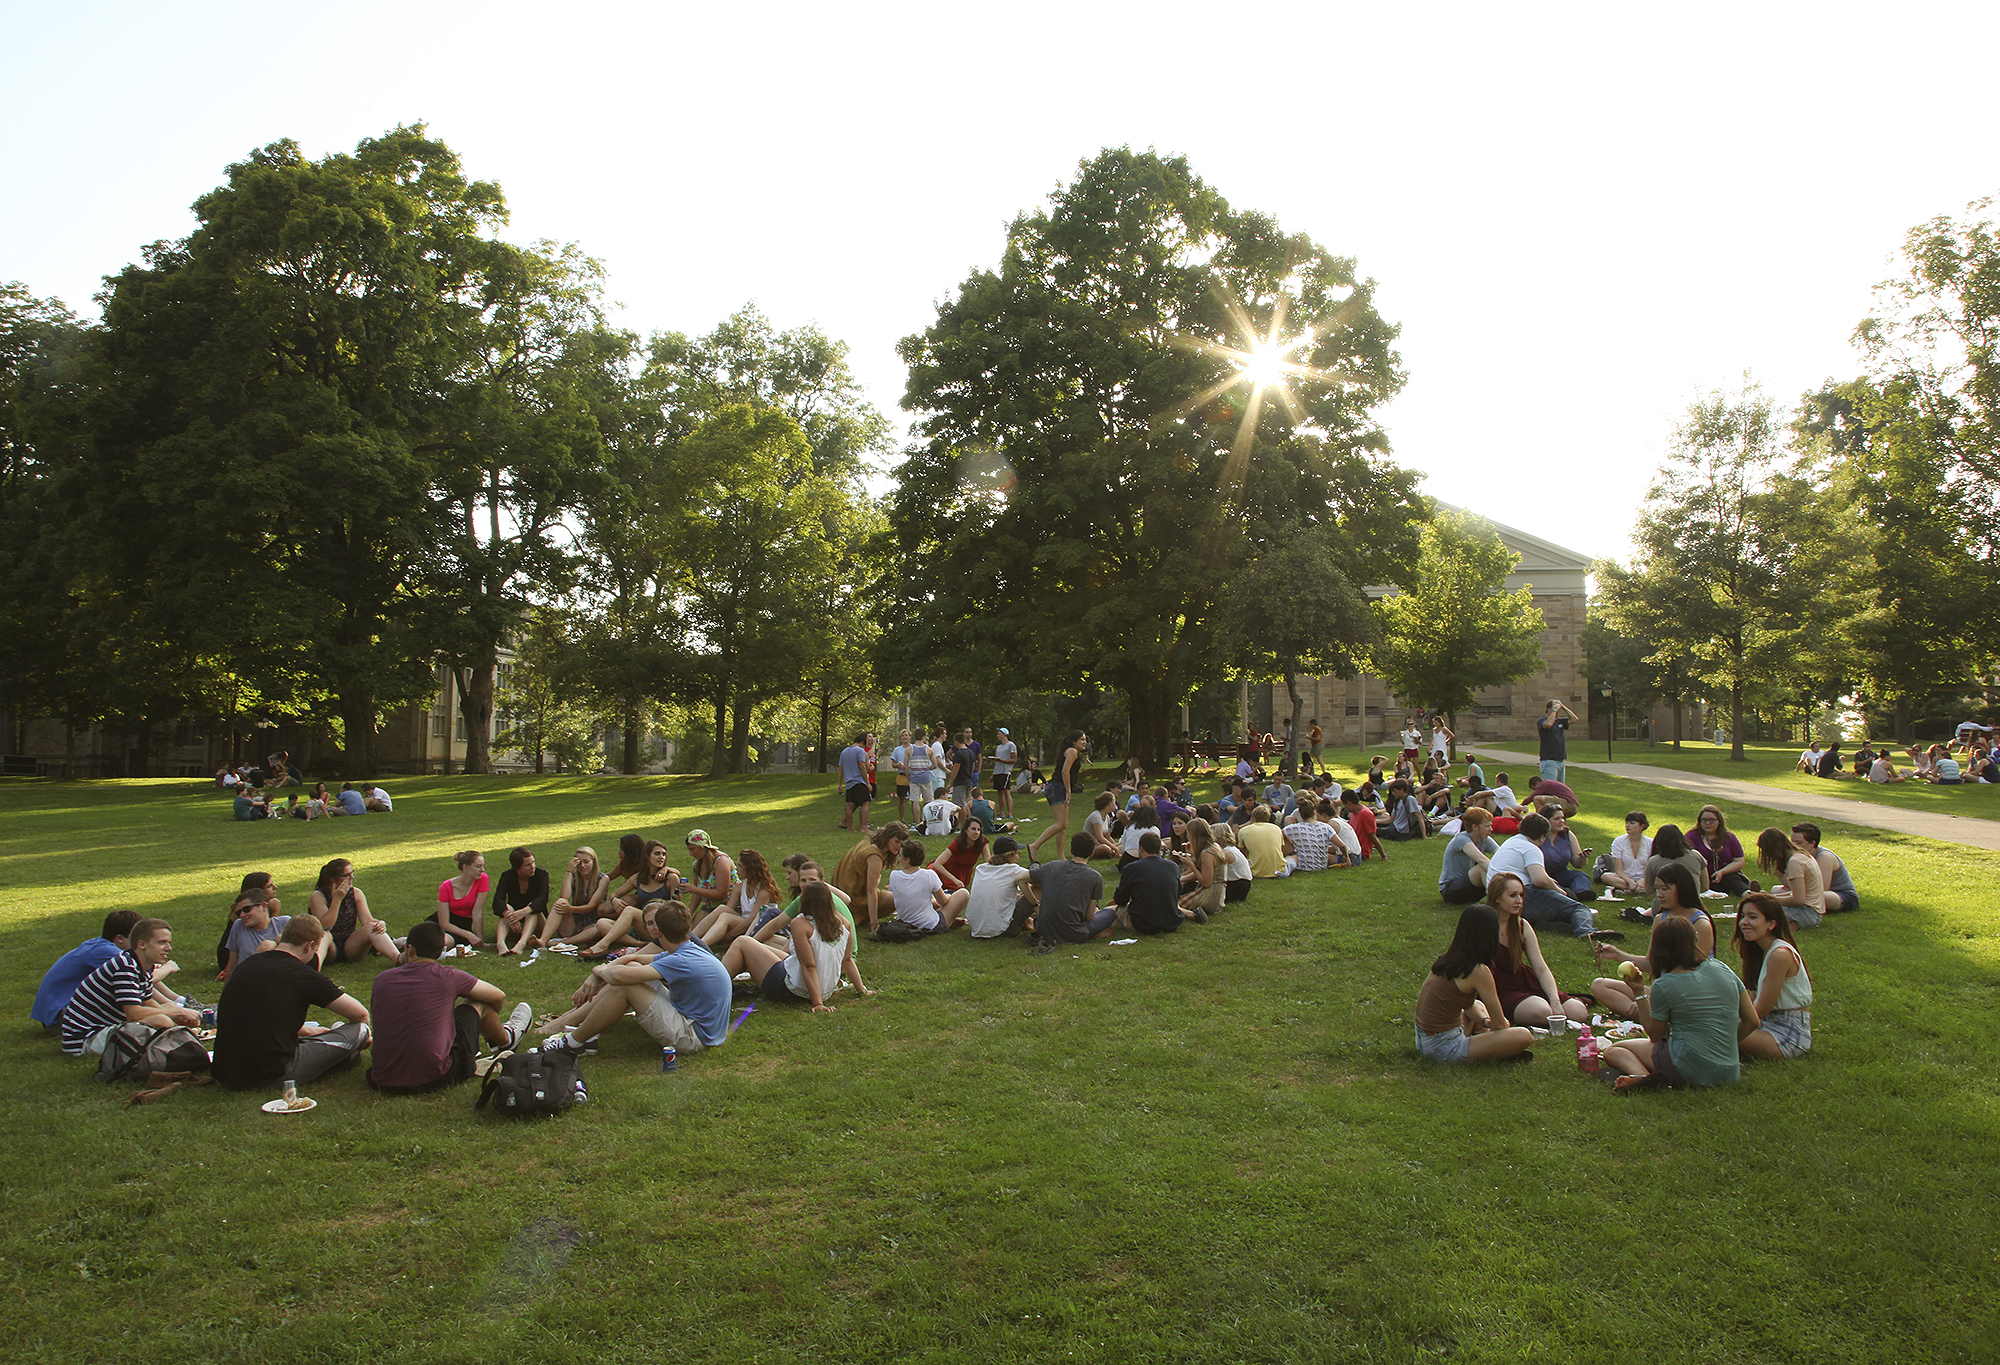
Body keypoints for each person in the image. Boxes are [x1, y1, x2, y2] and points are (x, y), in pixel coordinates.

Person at [538, 902, 731, 1060]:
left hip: (695, 1038)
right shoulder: (687, 950)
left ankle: (573, 1042)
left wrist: (598, 970)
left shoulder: (681, 960)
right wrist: (599, 975)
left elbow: (618, 976)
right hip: (700, 1027)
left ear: (659, 933)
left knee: (625, 986)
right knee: (631, 969)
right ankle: (586, 1034)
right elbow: (633, 959)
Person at [367, 921, 532, 1093]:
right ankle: (506, 1040)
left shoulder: (381, 979)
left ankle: (498, 1038)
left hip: (384, 1078)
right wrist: (485, 1022)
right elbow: (498, 996)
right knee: (478, 1001)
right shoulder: (448, 976)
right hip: (436, 1076)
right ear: (440, 952)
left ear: (410, 950)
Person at [1600, 915, 1760, 1092]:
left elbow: (1655, 1036)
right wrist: (1723, 1046)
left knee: (1615, 1051)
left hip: (1687, 1068)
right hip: (1729, 1071)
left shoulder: (1665, 984)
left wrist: (1638, 992)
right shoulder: (1723, 969)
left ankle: (1642, 1077)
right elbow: (1752, 1021)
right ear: (1695, 940)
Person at [211, 916, 373, 1090]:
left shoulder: (248, 964)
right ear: (309, 946)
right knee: (359, 1030)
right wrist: (362, 1041)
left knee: (328, 1039)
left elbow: (261, 1014)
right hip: (270, 1073)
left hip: (226, 1072)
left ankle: (342, 1055)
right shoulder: (303, 975)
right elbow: (360, 1014)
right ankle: (347, 1055)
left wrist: (309, 1031)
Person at [715, 881, 873, 1012]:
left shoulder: (801, 923)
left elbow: (809, 966)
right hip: (825, 990)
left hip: (793, 990)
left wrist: (818, 1004)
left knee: (742, 942)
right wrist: (862, 990)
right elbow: (847, 961)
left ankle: (713, 985)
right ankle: (723, 981)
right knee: (760, 949)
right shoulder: (844, 923)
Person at [56, 917, 200, 1055]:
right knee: (161, 1020)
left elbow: (146, 1001)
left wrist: (175, 1020)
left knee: (165, 1012)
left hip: (104, 1030)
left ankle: (180, 1037)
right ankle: (180, 1040)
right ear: (141, 944)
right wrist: (175, 1013)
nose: (168, 948)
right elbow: (134, 1014)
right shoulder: (125, 967)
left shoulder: (141, 965)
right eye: (162, 942)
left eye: (168, 942)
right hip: (86, 1040)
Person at [1412, 903, 1534, 1063]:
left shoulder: (1449, 959)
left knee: (1477, 1004)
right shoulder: (1479, 971)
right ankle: (1495, 1050)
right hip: (1444, 1047)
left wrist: (1485, 1021)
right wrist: (1500, 1025)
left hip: (1424, 1041)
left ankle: (1487, 1042)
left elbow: (1469, 1005)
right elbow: (1500, 1025)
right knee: (1523, 1035)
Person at [1590, 864, 1717, 1015]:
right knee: (1599, 985)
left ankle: (1648, 1014)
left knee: (1652, 1004)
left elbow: (1694, 973)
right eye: (1657, 889)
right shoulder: (1660, 919)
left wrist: (1650, 999)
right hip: (1664, 991)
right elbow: (1652, 963)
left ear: (1683, 888)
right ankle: (1646, 1014)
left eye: (1665, 889)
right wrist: (1618, 954)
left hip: (1690, 994)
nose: (1660, 895)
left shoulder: (1700, 923)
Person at [1485, 873, 1590, 1028]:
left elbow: (1541, 968)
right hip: (1499, 988)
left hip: (1524, 980)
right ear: (1497, 898)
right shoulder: (1483, 925)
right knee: (1542, 1012)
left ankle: (1549, 1003)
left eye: (1521, 895)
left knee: (1578, 1012)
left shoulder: (1522, 925)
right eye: (1513, 895)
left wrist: (1555, 1001)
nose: (1519, 901)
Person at [1486, 812, 1599, 939]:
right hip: (1519, 895)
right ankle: (1585, 932)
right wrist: (1561, 892)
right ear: (1542, 837)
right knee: (1579, 909)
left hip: (1496, 898)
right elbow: (1540, 880)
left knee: (1557, 908)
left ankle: (1542, 924)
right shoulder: (1531, 848)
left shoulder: (1511, 842)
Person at [33, 909, 145, 1031]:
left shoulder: (98, 945)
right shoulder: (107, 952)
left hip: (54, 1015)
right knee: (125, 987)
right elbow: (140, 977)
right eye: (136, 938)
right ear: (119, 939)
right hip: (62, 1018)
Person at [1733, 893, 1813, 1061]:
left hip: (1787, 1033)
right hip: (1764, 1024)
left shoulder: (1780, 955)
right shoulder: (1760, 952)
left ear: (1771, 924)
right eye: (1742, 916)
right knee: (1710, 1028)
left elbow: (1761, 1010)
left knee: (1711, 1035)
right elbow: (1752, 1000)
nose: (1744, 922)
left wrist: (1727, 1032)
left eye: (1753, 917)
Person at [308, 858, 401, 965]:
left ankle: (398, 958)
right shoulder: (318, 896)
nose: (352, 877)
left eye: (352, 873)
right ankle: (315, 966)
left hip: (349, 944)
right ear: (333, 879)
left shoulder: (356, 893)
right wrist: (337, 900)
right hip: (328, 945)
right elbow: (326, 926)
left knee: (372, 927)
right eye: (346, 875)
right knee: (325, 934)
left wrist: (380, 923)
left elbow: (367, 920)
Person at [1028, 832, 1112, 944]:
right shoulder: (1095, 877)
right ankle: (1095, 931)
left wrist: (1035, 905)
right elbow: (1089, 916)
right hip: (1073, 934)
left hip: (1043, 929)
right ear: (1092, 853)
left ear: (1071, 851)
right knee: (1111, 913)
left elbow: (1020, 879)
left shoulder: (1052, 866)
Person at [698, 847, 783, 950]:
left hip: (759, 925)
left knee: (725, 917)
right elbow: (728, 909)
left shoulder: (764, 891)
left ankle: (701, 945)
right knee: (722, 909)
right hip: (744, 921)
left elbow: (753, 919)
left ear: (750, 869)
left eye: (740, 866)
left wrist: (730, 935)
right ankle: (691, 937)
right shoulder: (739, 887)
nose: (736, 869)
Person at [1114, 830, 1195, 932]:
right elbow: (1177, 893)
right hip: (1172, 922)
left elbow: (1120, 900)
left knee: (1114, 910)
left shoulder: (1131, 868)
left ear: (1141, 848)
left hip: (1142, 924)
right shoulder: (1173, 867)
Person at [1028, 730, 1089, 861]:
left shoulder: (1071, 751)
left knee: (1063, 825)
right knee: (1061, 824)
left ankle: (1061, 857)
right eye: (1082, 740)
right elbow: (1065, 771)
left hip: (1056, 788)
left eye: (1085, 740)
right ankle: (1034, 846)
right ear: (1074, 741)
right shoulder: (1072, 751)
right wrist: (1068, 791)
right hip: (1058, 788)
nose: (1085, 742)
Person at [833, 824, 905, 931]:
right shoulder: (874, 856)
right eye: (896, 841)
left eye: (901, 843)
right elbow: (871, 891)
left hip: (841, 894)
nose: (898, 846)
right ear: (887, 837)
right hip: (854, 901)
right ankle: (861, 917)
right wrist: (874, 924)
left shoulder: (868, 841)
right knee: (901, 898)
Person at [888, 839, 966, 933]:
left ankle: (948, 918)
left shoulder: (894, 876)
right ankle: (949, 919)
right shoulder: (929, 875)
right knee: (963, 893)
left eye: (900, 856)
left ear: (908, 860)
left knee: (929, 900)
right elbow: (943, 902)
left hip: (904, 924)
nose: (899, 859)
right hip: (929, 925)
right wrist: (949, 896)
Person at [1756, 826, 1828, 929]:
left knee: (1761, 912)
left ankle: (1790, 925)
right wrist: (1768, 897)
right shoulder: (1802, 854)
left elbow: (1798, 900)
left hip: (1807, 913)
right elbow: (1799, 892)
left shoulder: (1795, 862)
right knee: (1762, 907)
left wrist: (1769, 900)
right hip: (1814, 912)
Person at [967, 837, 1035, 938]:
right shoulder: (1013, 870)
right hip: (1003, 930)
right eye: (1016, 854)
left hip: (976, 928)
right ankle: (1046, 920)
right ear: (1009, 855)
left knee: (1015, 897)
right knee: (1037, 891)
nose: (1018, 858)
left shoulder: (981, 868)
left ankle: (1027, 921)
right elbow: (1040, 879)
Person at [543, 847, 611, 948]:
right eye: (579, 863)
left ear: (593, 862)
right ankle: (543, 940)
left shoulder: (603, 879)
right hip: (574, 921)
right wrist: (569, 872)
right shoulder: (574, 877)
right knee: (561, 902)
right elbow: (564, 897)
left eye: (586, 862)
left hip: (593, 922)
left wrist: (570, 909)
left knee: (598, 927)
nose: (582, 866)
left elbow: (591, 906)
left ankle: (565, 942)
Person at [681, 831, 741, 940]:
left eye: (692, 849)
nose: (691, 854)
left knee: (700, 935)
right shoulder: (697, 864)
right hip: (710, 906)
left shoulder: (721, 861)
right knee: (690, 932)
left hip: (729, 906)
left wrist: (694, 889)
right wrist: (689, 913)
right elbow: (697, 894)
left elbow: (721, 893)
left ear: (702, 847)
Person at [1639, 824, 1711, 916]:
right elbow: (1705, 886)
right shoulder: (1696, 856)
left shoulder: (1654, 861)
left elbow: (1649, 891)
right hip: (1693, 905)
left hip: (1664, 907)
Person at [1789, 822, 1859, 915]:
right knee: (1777, 890)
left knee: (1806, 896)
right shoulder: (1800, 856)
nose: (1793, 846)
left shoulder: (1825, 857)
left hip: (1842, 896)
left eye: (1799, 843)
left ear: (1812, 843)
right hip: (1815, 893)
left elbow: (1821, 888)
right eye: (1792, 842)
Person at [1687, 805, 1753, 897]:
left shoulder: (1729, 837)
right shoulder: (1692, 836)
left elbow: (1739, 861)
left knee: (1732, 879)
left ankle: (1749, 894)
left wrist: (1722, 872)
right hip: (1702, 876)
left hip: (1725, 875)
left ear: (1719, 821)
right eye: (1704, 820)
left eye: (1712, 820)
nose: (1708, 823)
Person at [494, 847, 549, 955]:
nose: (532, 867)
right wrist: (508, 914)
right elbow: (497, 900)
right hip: (515, 924)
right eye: (527, 865)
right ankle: (500, 944)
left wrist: (523, 912)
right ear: (517, 867)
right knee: (506, 908)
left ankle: (522, 943)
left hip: (537, 923)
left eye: (533, 862)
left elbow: (542, 899)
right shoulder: (507, 876)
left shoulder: (541, 875)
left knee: (533, 909)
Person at [1438, 806, 1498, 904]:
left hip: (1469, 887)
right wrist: (1501, 876)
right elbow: (1481, 860)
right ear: (1475, 827)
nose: (1491, 829)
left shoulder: (1485, 839)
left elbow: (1501, 855)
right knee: (1481, 868)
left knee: (1488, 867)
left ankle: (1499, 900)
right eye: (1487, 826)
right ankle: (1496, 903)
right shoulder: (1461, 839)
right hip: (1450, 890)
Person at [436, 849, 492, 949]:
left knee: (445, 943)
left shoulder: (482, 879)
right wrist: (469, 935)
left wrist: (480, 940)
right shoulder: (446, 887)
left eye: (482, 866)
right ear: (465, 867)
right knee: (431, 939)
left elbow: (477, 912)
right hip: (446, 923)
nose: (482, 870)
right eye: (478, 866)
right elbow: (444, 924)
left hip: (463, 925)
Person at [1538, 808, 1594, 900]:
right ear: (1546, 821)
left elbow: (1577, 864)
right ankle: (1566, 894)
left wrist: (1583, 857)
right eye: (1557, 819)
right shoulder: (1537, 837)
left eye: (1563, 818)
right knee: (1550, 886)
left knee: (1581, 876)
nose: (1562, 821)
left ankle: (1580, 894)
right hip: (1543, 875)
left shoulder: (1568, 835)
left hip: (1561, 873)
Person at [1175, 817, 1224, 921]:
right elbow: (1202, 871)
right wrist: (1192, 855)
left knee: (1171, 905)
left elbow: (1207, 882)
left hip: (1210, 894)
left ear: (1193, 835)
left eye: (1188, 833)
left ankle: (1195, 915)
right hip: (1216, 893)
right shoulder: (1213, 846)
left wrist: (1191, 864)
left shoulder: (1207, 853)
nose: (1187, 836)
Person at [1594, 812, 1653, 895]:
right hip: (1624, 878)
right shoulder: (1619, 841)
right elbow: (1618, 870)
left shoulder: (1650, 843)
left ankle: (1630, 890)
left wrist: (1642, 881)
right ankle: (1635, 889)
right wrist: (1630, 881)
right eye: (1626, 823)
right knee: (1606, 877)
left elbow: (1649, 870)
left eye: (1632, 823)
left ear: (1642, 826)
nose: (1627, 826)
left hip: (1644, 879)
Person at [932, 821, 989, 896]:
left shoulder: (982, 842)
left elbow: (988, 862)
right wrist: (955, 880)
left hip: (963, 876)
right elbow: (937, 864)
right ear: (965, 830)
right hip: (947, 871)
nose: (976, 832)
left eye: (978, 830)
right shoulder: (957, 843)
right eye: (973, 829)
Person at [836, 731, 874, 831]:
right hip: (859, 781)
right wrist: (867, 782)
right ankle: (863, 827)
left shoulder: (844, 751)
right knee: (866, 803)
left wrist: (839, 784)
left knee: (850, 804)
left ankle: (851, 827)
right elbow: (862, 766)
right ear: (862, 742)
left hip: (849, 782)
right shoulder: (860, 751)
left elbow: (840, 768)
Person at [1282, 805, 1336, 873]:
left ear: (1301, 815)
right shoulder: (1326, 827)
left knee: (1285, 839)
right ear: (1315, 813)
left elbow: (1279, 834)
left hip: (1301, 866)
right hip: (1321, 866)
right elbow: (1342, 845)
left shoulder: (1292, 828)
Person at [1238, 806, 1287, 877]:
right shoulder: (1277, 828)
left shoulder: (1243, 831)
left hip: (1256, 873)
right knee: (1293, 858)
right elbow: (1281, 849)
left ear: (1253, 818)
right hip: (1280, 872)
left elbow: (1242, 855)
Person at [1536, 699, 1575, 783]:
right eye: (1555, 705)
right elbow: (1548, 724)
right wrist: (1554, 710)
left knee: (1560, 788)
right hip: (1549, 761)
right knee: (1550, 787)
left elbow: (1574, 719)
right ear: (1548, 709)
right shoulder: (1541, 721)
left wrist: (1563, 706)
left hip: (1561, 760)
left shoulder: (1559, 721)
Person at [1342, 790, 1385, 861]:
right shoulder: (1354, 812)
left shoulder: (1365, 814)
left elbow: (1372, 836)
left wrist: (1383, 856)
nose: (1345, 807)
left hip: (1359, 852)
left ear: (1349, 803)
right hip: (1351, 847)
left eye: (1345, 805)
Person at [991, 727, 1019, 819]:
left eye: (999, 733)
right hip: (997, 772)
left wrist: (1002, 761)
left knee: (1006, 791)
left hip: (1005, 771)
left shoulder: (1011, 745)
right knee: (999, 792)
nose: (997, 735)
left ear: (1004, 734)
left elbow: (1014, 759)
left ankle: (1010, 813)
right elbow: (997, 762)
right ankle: (1002, 813)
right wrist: (993, 775)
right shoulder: (998, 747)